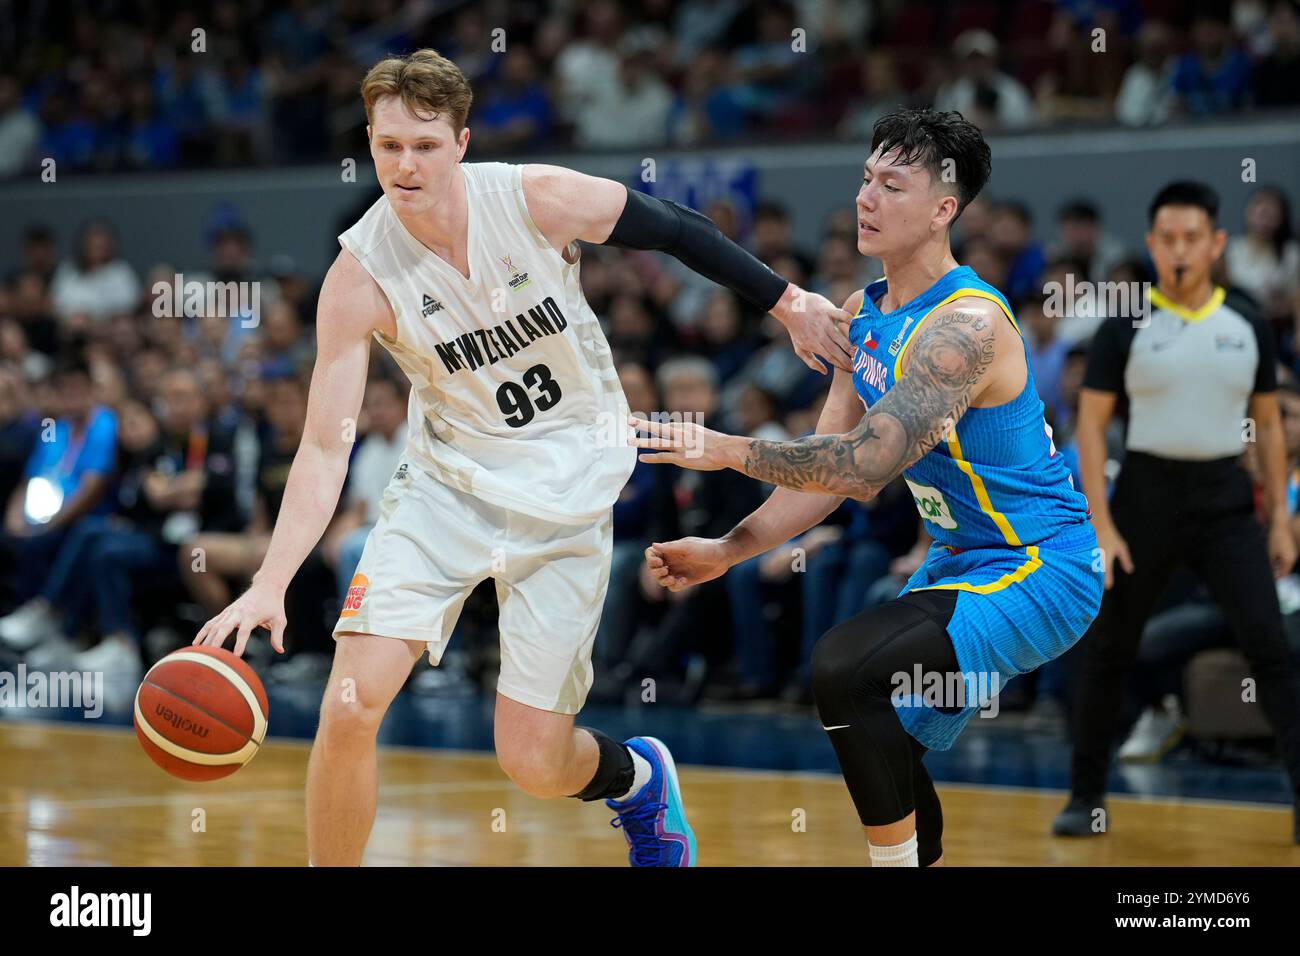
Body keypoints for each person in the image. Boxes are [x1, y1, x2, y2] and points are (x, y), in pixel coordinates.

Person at [191, 49, 853, 868]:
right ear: (369, 142)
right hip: (444, 490)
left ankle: (637, 780)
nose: (406, 164)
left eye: (425, 146)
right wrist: (270, 579)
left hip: (569, 489)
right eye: (389, 144)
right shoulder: (357, 278)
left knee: (535, 762)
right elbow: (326, 448)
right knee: (350, 705)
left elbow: (679, 230)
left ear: (462, 143)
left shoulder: (536, 197)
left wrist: (787, 303)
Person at [632, 108, 1102, 867]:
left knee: (844, 670)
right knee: (887, 740)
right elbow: (823, 470)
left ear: (944, 208)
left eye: (892, 185)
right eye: (864, 179)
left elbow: (862, 468)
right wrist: (728, 549)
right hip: (964, 561)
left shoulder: (967, 325)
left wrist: (724, 449)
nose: (866, 198)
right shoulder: (862, 313)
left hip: (1044, 568)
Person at [1052, 181, 1300, 843]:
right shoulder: (1125, 323)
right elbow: (1094, 427)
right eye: (1168, 238)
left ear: (1216, 244)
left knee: (1270, 647)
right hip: (1144, 497)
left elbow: (1269, 427)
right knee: (1108, 649)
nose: (1181, 249)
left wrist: (1278, 518)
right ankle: (1086, 797)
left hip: (1224, 500)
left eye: (1194, 237)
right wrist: (1101, 524)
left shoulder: (1246, 321)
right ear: (1154, 242)